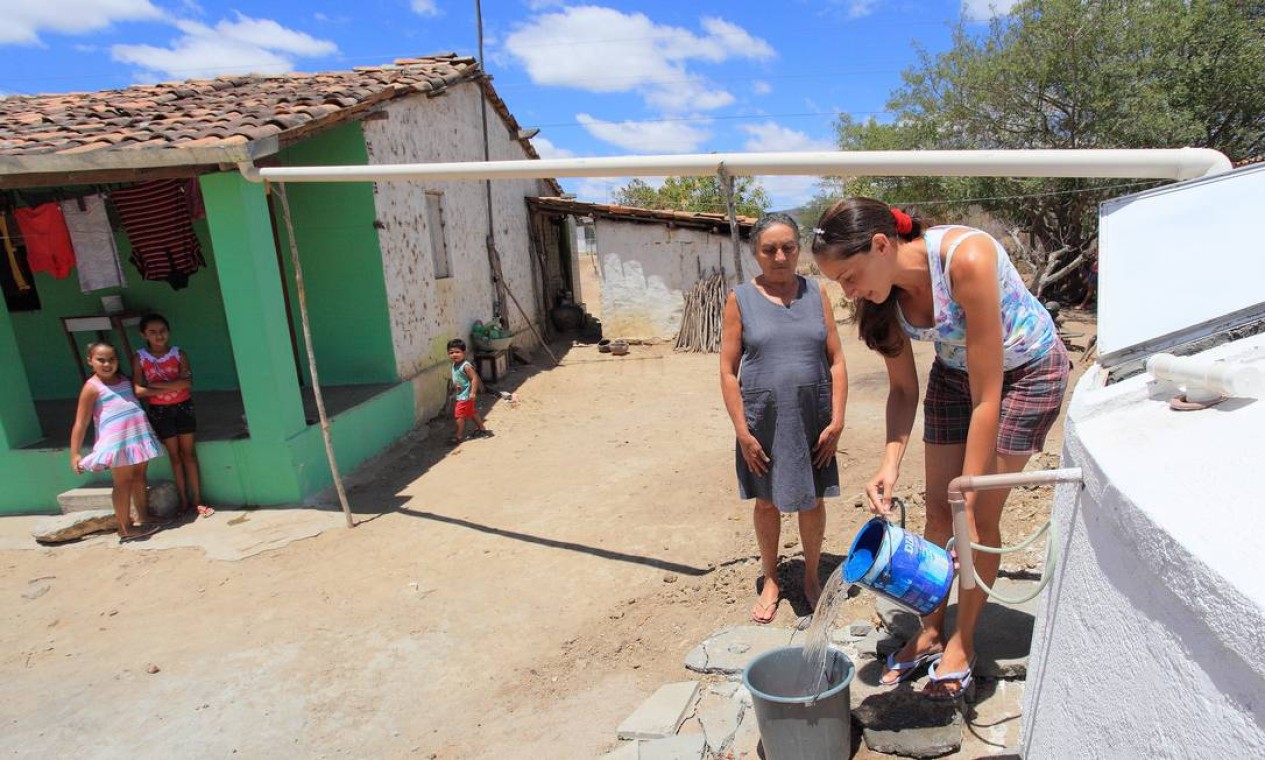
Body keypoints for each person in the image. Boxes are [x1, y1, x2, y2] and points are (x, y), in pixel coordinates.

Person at [811, 198, 1069, 700]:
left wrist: (968, 493)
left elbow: (988, 395)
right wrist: (889, 463)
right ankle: (929, 630)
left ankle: (963, 641)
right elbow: (905, 390)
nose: (849, 292)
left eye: (849, 276)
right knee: (935, 513)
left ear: (881, 245)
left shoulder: (966, 259)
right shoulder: (882, 298)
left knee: (977, 520)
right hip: (956, 374)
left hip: (1025, 376)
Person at [720, 212, 848, 625]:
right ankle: (772, 578)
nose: (780, 256)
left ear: (799, 249)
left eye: (788, 247)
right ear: (755, 252)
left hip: (814, 416)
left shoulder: (818, 294)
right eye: (769, 249)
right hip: (765, 419)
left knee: (811, 499)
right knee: (767, 499)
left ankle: (811, 577)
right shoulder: (740, 299)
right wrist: (742, 431)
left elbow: (837, 360)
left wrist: (839, 419)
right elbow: (727, 370)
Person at [70, 341, 166, 542]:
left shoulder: (124, 380)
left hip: (137, 438)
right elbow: (81, 422)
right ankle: (124, 527)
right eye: (101, 360)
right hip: (117, 443)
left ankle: (143, 516)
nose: (107, 364)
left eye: (111, 359)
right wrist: (75, 453)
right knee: (123, 483)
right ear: (90, 361)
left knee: (140, 476)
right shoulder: (91, 387)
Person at [132, 313, 212, 518]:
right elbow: (139, 390)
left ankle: (197, 500)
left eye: (162, 331)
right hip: (160, 412)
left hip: (183, 407)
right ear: (143, 335)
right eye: (152, 332)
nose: (158, 336)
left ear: (168, 332)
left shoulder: (179, 354)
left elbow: (187, 383)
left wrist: (155, 386)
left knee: (188, 455)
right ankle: (184, 500)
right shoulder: (140, 358)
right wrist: (171, 386)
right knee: (175, 457)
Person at [447, 339, 492, 444]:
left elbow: (474, 378)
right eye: (451, 353)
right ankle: (482, 429)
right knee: (471, 412)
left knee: (459, 415)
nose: (454, 355)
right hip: (462, 394)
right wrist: (457, 385)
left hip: (465, 396)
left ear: (464, 352)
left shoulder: (466, 366)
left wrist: (473, 392)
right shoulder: (455, 364)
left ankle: (458, 436)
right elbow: (460, 378)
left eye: (457, 352)